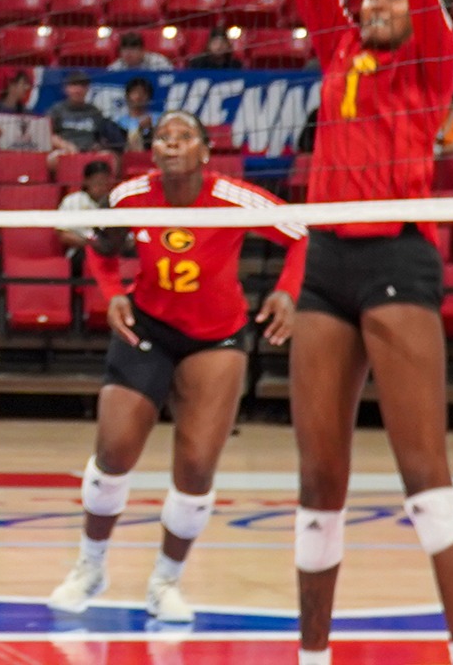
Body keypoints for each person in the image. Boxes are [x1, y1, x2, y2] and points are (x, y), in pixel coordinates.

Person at [280, 0, 453, 665]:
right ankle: (312, 655)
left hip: (400, 259)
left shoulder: (432, 64)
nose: (376, 1)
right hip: (327, 264)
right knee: (319, 479)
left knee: (422, 476)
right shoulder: (339, 51)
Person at [51, 110, 302, 622]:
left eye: (183, 137)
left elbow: (302, 235)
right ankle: (89, 568)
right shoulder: (129, 196)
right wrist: (113, 293)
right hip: (147, 328)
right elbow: (102, 252)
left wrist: (286, 292)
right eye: (163, 137)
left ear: (204, 152)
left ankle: (165, 582)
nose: (170, 143)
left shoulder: (234, 197)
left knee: (195, 468)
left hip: (216, 338)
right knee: (114, 452)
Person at [47, 73, 125, 155]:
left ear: (87, 89)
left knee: (108, 156)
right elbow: (49, 135)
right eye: (74, 85)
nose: (78, 90)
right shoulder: (56, 110)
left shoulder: (94, 112)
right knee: (54, 158)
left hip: (89, 152)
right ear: (66, 89)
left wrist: (98, 146)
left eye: (82, 86)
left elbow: (101, 137)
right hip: (65, 151)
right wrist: (64, 145)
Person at [54, 159, 116, 256]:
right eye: (98, 182)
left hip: (111, 250)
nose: (102, 187)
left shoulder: (115, 201)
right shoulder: (72, 201)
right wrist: (89, 244)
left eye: (105, 182)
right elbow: (63, 234)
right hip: (81, 250)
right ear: (87, 181)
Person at [114, 77, 158, 150]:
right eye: (135, 93)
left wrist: (151, 128)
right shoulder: (119, 122)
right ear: (127, 96)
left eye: (143, 93)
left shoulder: (159, 119)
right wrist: (139, 129)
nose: (139, 96)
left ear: (149, 97)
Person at [107, 31, 174, 72]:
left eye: (133, 49)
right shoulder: (115, 68)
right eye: (124, 49)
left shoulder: (159, 62)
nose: (128, 53)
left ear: (142, 51)